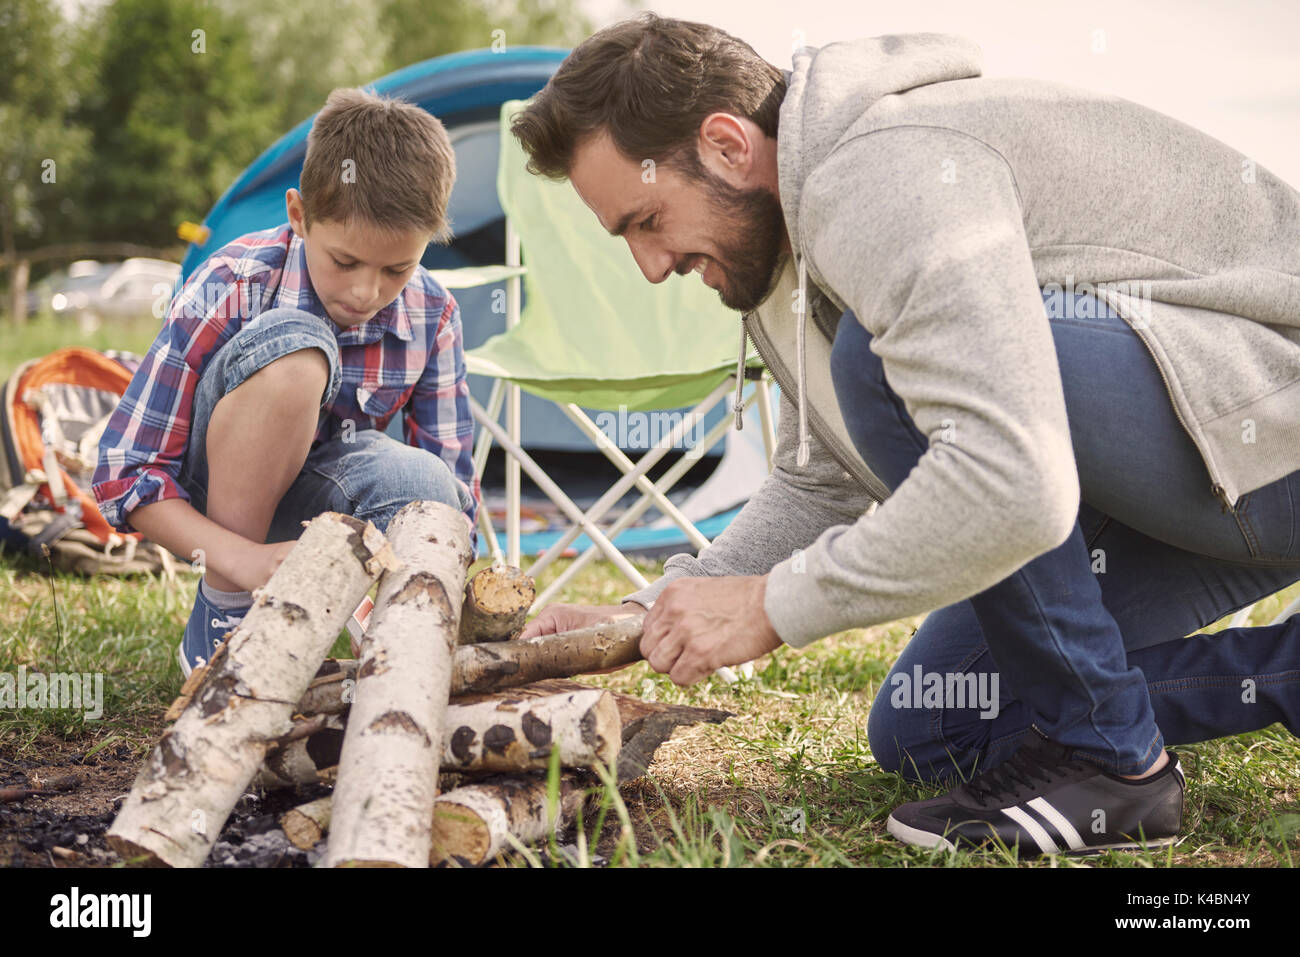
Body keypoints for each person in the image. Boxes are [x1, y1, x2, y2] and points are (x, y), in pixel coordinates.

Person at [512, 13, 1300, 856]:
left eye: (646, 220)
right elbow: (822, 479)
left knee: (877, 364)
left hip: (1267, 431)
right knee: (932, 722)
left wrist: (772, 607)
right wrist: (649, 614)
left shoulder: (888, 170)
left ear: (728, 145)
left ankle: (1108, 757)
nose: (651, 265)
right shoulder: (789, 246)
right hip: (1189, 473)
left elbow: (1015, 483)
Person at [93, 87, 479, 677]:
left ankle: (396, 655)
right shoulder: (232, 281)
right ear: (299, 216)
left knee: (427, 480)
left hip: (321, 513)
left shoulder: (435, 313)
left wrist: (444, 592)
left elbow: (450, 499)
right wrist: (238, 559)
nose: (364, 293)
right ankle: (227, 614)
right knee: (298, 349)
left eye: (397, 269)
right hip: (216, 511)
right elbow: (126, 474)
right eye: (344, 261)